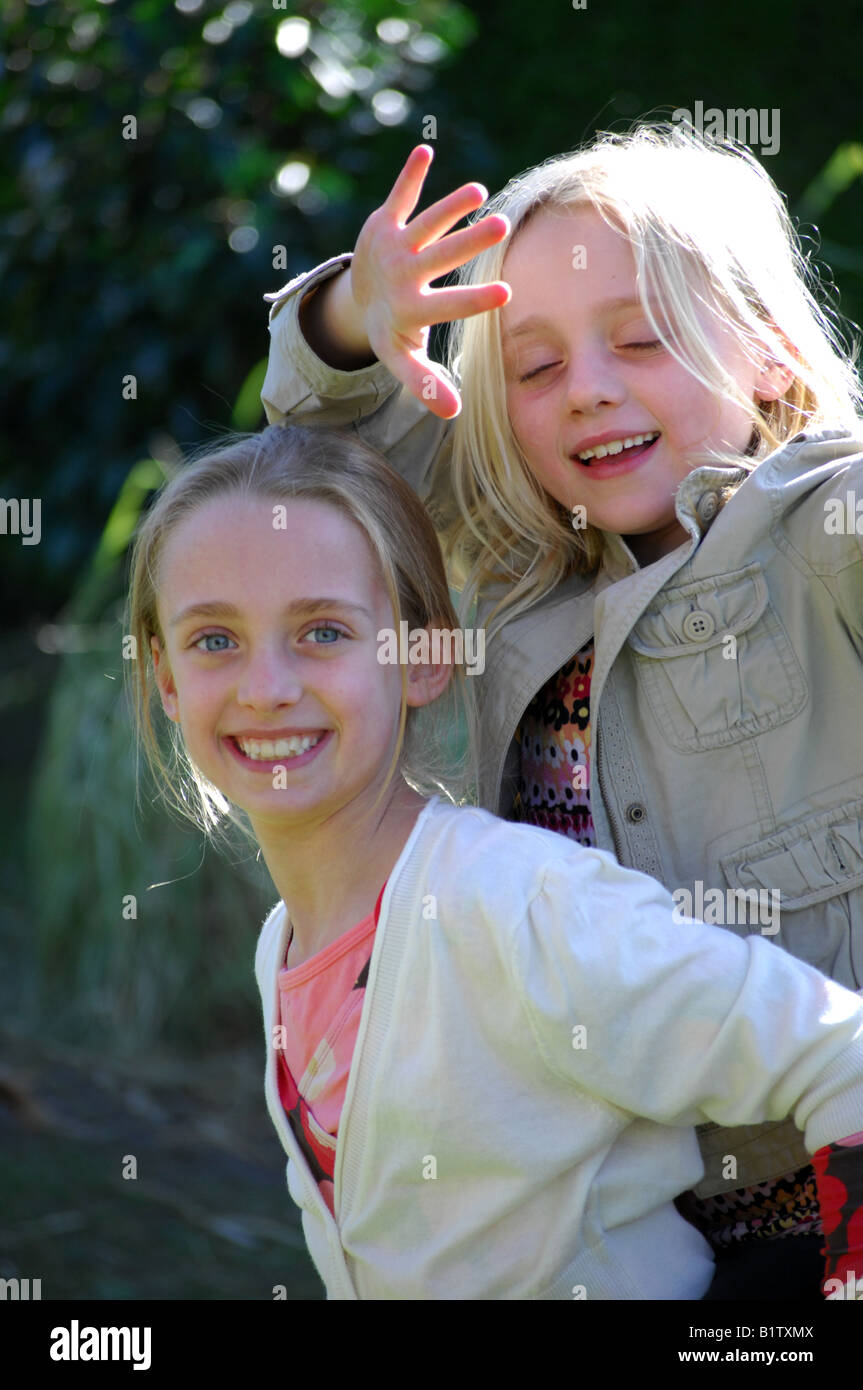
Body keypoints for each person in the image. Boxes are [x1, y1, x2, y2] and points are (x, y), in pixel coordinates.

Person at [258, 123, 863, 1295]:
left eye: (639, 340)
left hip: (828, 1196)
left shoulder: (810, 528)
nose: (584, 389)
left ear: (774, 355)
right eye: (531, 368)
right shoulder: (519, 582)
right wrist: (349, 323)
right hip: (636, 1237)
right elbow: (320, 481)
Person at [124, 421, 863, 1301]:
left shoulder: (513, 904)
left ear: (427, 656)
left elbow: (839, 1054)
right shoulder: (282, 942)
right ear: (165, 677)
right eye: (214, 641)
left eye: (322, 631)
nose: (267, 686)